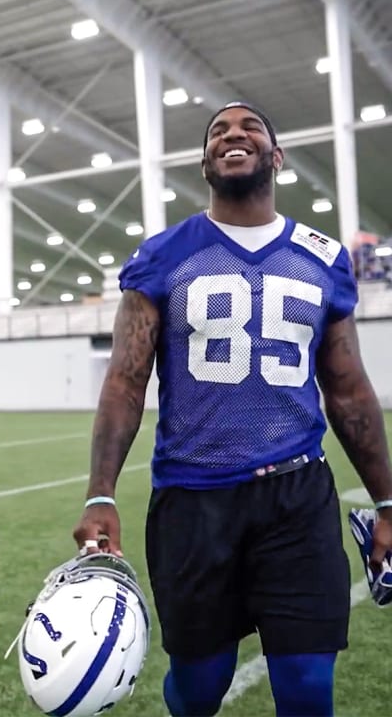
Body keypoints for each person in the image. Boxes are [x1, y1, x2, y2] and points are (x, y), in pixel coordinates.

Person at [72, 102, 392, 716]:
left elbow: (349, 391)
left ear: (276, 157)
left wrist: (386, 502)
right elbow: (124, 382)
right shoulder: (163, 256)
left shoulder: (323, 257)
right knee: (199, 687)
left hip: (297, 496)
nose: (233, 134)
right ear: (205, 161)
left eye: (250, 128)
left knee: (306, 684)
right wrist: (100, 494)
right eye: (218, 130)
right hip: (194, 501)